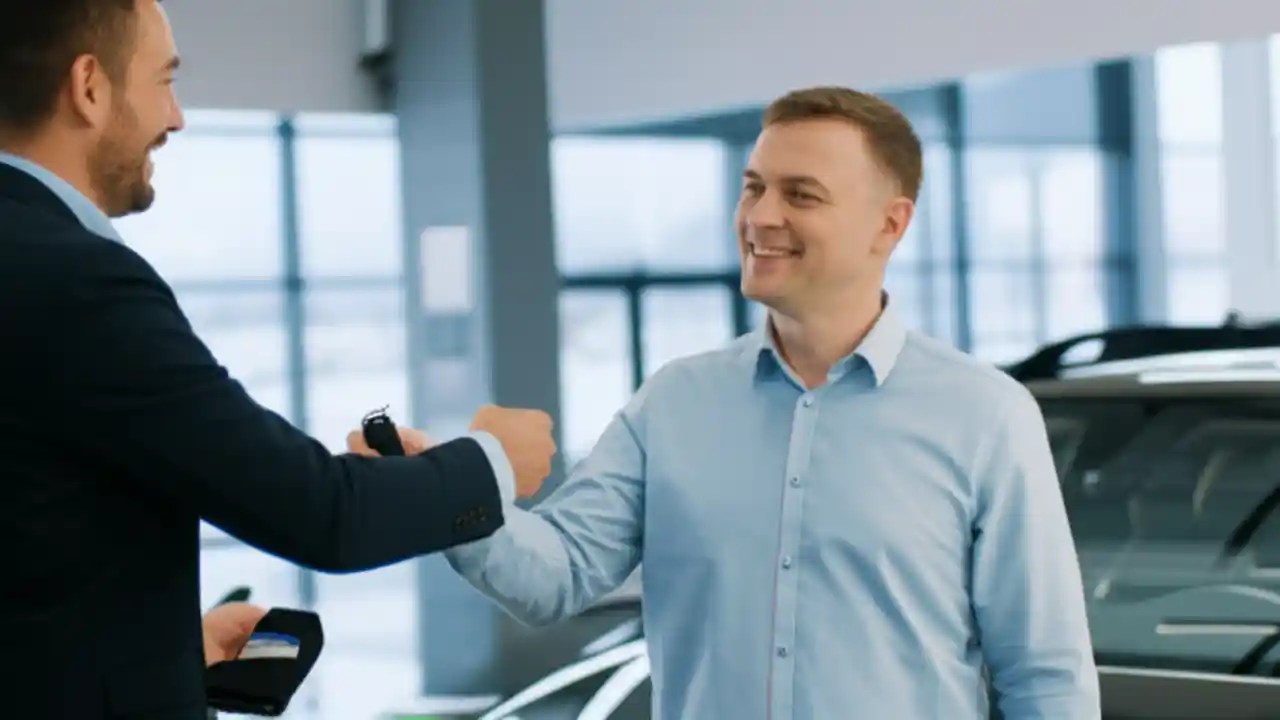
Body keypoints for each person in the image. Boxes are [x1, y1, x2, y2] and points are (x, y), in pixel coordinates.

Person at [353, 87, 1101, 718]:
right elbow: (556, 574)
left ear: (890, 224)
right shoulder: (675, 403)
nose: (760, 216)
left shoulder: (985, 415)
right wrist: (440, 487)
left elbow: (1045, 675)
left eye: (800, 195)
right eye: (754, 186)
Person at [0, 1, 556, 717]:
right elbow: (320, 509)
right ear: (89, 87)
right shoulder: (79, 282)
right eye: (164, 81)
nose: (176, 117)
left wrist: (166, 650)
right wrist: (492, 461)